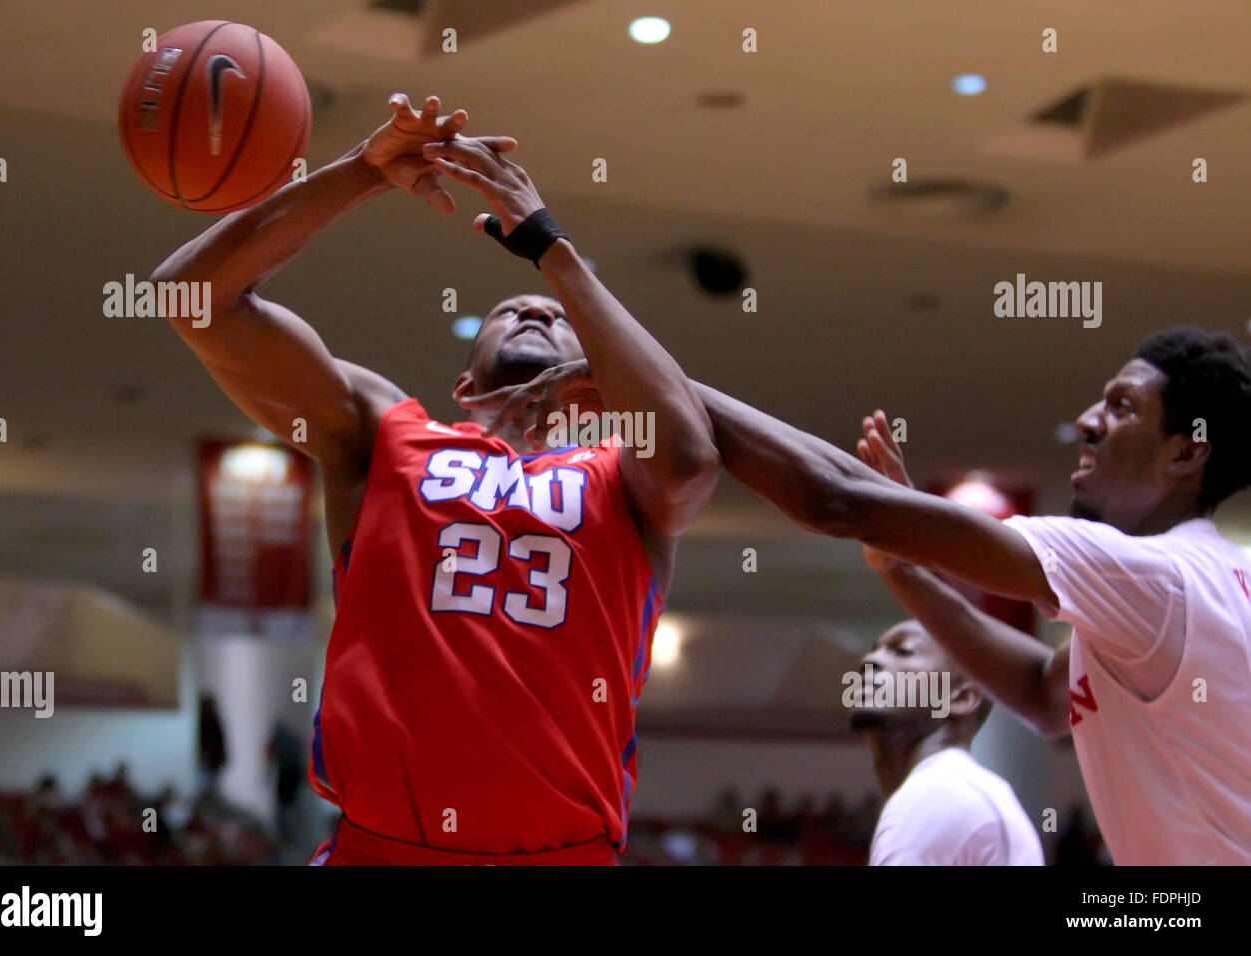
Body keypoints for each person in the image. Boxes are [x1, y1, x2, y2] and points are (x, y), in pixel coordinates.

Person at [150, 94, 719, 865]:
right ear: (462, 383)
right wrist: (360, 172)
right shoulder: (385, 432)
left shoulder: (626, 473)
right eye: (508, 311)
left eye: (554, 316)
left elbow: (691, 461)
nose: (531, 313)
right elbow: (191, 299)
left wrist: (553, 252)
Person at [478, 327, 1251, 864]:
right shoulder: (1184, 589)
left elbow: (834, 498)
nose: (1087, 421)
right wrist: (908, 569)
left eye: (1120, 407)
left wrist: (646, 377)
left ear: (1187, 452)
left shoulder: (1154, 576)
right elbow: (1045, 694)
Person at [853, 620, 1043, 865]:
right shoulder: (950, 789)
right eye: (874, 649)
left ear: (961, 697)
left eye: (903, 651)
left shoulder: (934, 795)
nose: (869, 660)